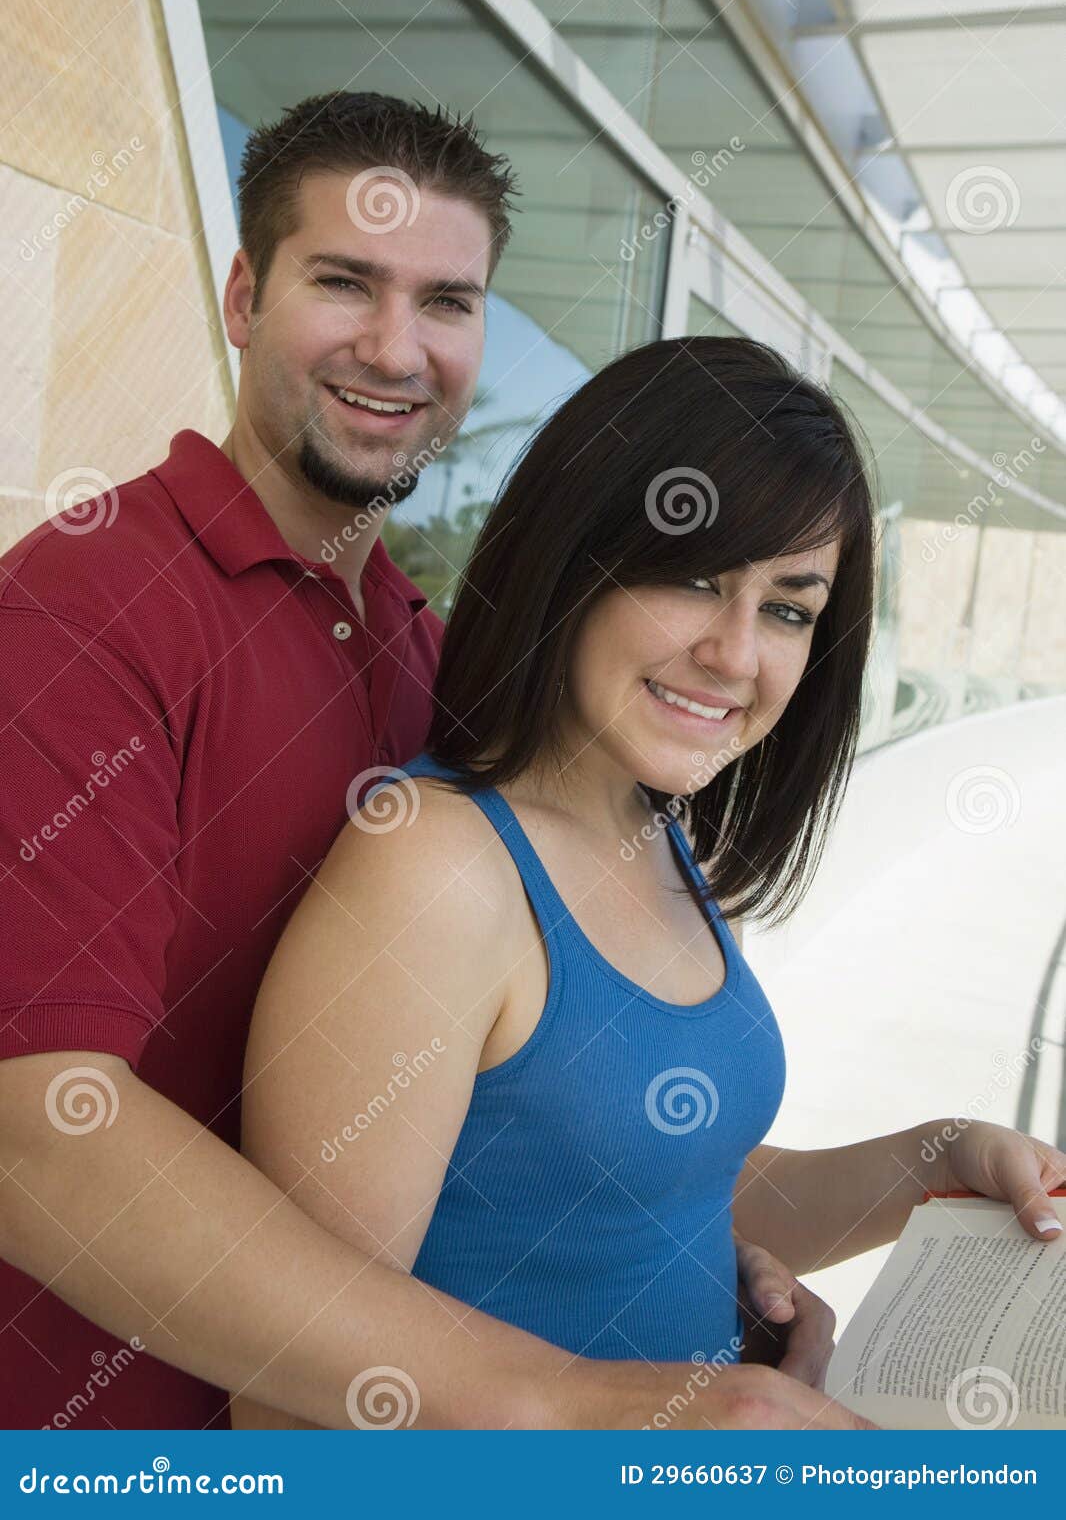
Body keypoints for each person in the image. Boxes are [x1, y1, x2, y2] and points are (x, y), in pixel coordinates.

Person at [0, 90, 857, 1432]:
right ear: (241, 295)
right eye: (345, 282)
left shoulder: (431, 653)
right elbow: (34, 1126)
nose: (396, 347)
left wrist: (682, 1273)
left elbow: (519, 1111)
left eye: (449, 302)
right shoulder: (83, 607)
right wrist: (576, 1396)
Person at [234, 335, 1066, 1431]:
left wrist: (933, 1163)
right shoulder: (434, 869)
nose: (735, 654)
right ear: (574, 558)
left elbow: (657, 1188)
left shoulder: (657, 830)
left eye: (787, 607)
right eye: (691, 577)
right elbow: (295, 1391)